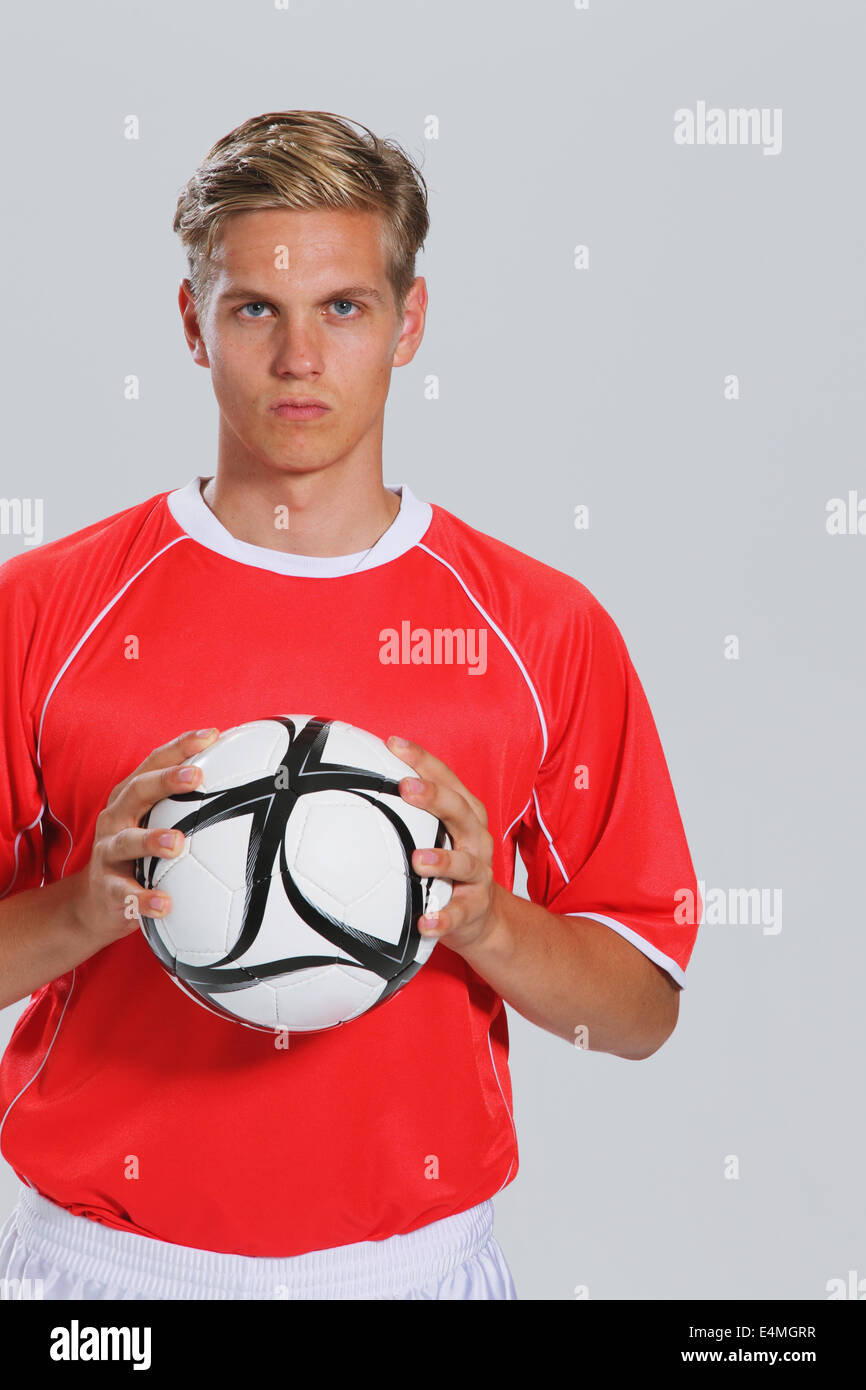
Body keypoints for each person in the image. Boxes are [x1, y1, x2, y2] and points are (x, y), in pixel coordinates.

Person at [0, 110, 700, 1301]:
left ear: (407, 323)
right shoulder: (43, 609)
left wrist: (489, 923)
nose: (297, 359)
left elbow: (637, 1013)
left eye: (342, 306)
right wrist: (87, 907)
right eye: (253, 308)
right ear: (192, 323)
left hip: (412, 1269)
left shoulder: (538, 625)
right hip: (103, 1275)